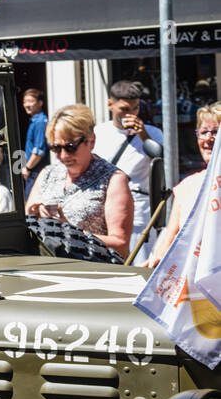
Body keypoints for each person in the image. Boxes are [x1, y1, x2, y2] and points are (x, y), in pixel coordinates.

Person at [26, 104, 133, 259]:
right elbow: (26, 224)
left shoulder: (113, 179)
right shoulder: (47, 173)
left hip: (92, 270)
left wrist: (68, 230)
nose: (63, 156)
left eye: (70, 147)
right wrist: (34, 215)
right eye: (56, 148)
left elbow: (121, 245)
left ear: (91, 141)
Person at [93, 80, 163, 259]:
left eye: (136, 108)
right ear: (110, 104)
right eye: (124, 109)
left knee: (140, 262)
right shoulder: (98, 133)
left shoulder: (153, 133)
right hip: (104, 209)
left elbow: (161, 161)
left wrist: (143, 135)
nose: (131, 114)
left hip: (139, 210)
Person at [148, 102, 220, 267]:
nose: (208, 139)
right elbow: (170, 239)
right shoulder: (187, 186)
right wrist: (156, 261)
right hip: (191, 281)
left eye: (216, 132)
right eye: (203, 132)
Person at [19, 88, 48, 195]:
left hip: (36, 171)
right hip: (34, 171)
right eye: (25, 102)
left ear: (40, 103)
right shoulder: (34, 121)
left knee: (31, 206)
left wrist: (27, 167)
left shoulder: (40, 122)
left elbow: (39, 150)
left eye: (30, 101)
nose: (27, 105)